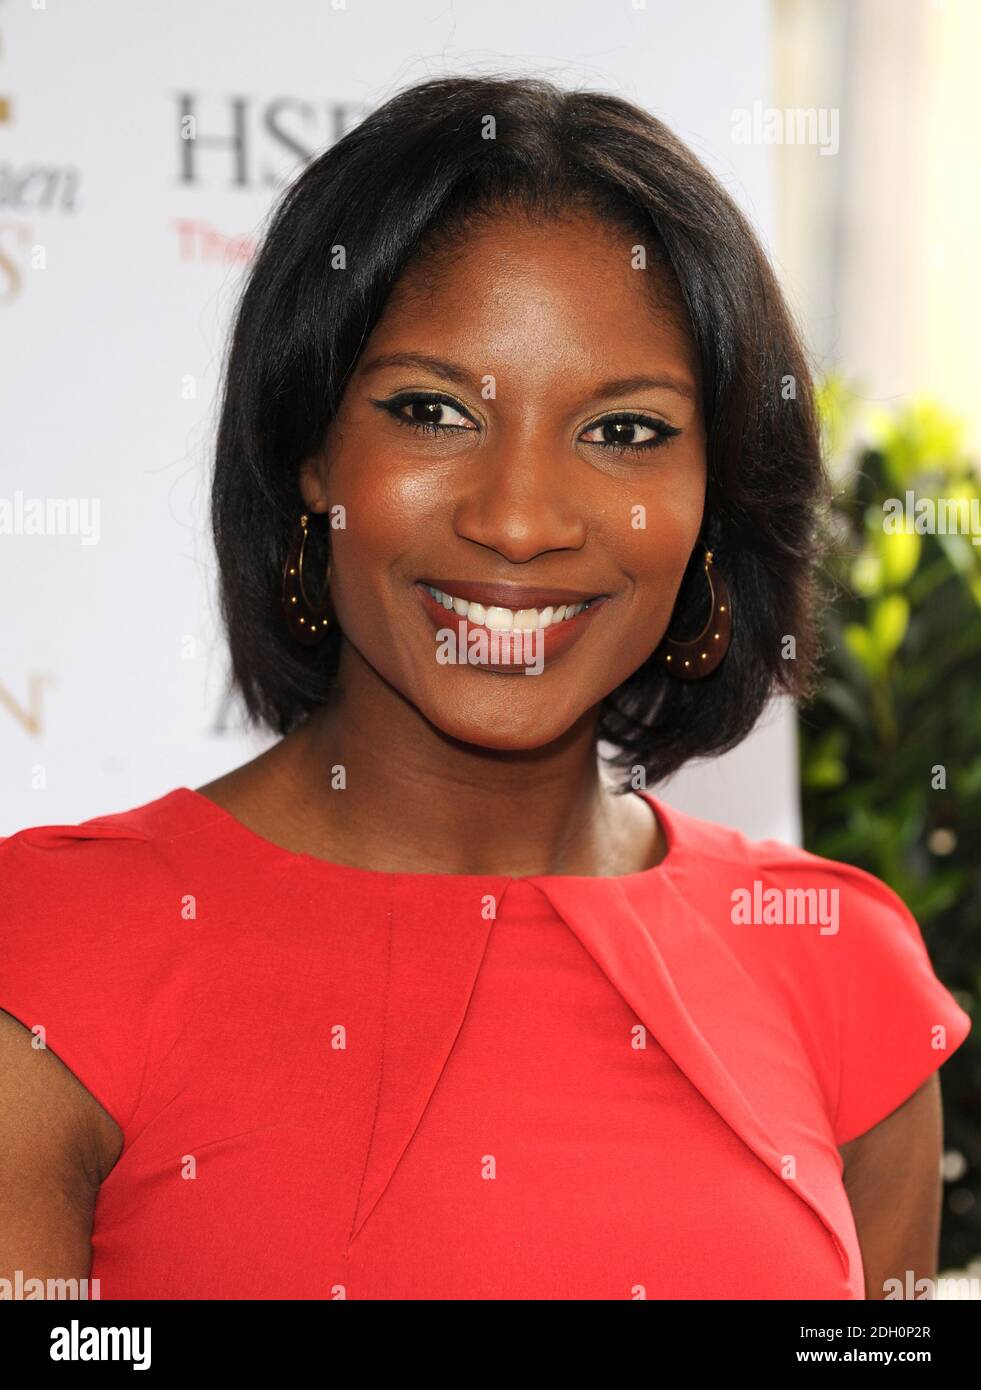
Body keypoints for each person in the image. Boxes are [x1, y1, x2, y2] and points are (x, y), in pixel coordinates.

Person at [0, 74, 970, 1301]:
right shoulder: (49, 960)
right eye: (433, 411)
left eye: (625, 432)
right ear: (308, 451)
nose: (518, 523)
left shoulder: (842, 969)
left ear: (714, 501)